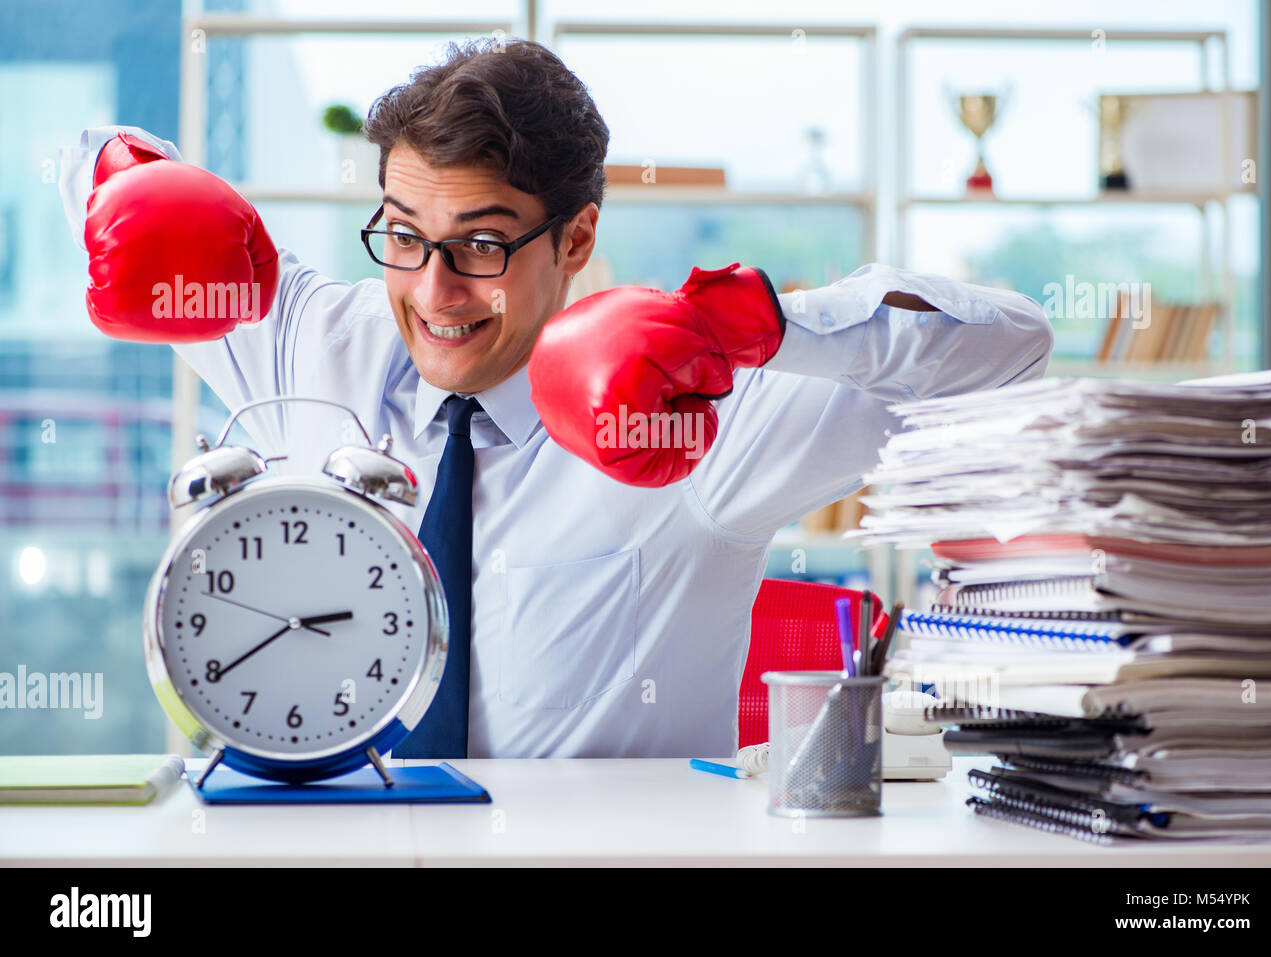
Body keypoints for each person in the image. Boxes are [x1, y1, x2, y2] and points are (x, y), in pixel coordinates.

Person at [59, 37, 1053, 759]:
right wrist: (129, 187)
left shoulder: (690, 404)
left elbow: (1008, 347)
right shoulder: (311, 343)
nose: (435, 292)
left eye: (483, 246)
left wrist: (750, 329)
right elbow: (83, 157)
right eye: (404, 236)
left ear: (574, 241)